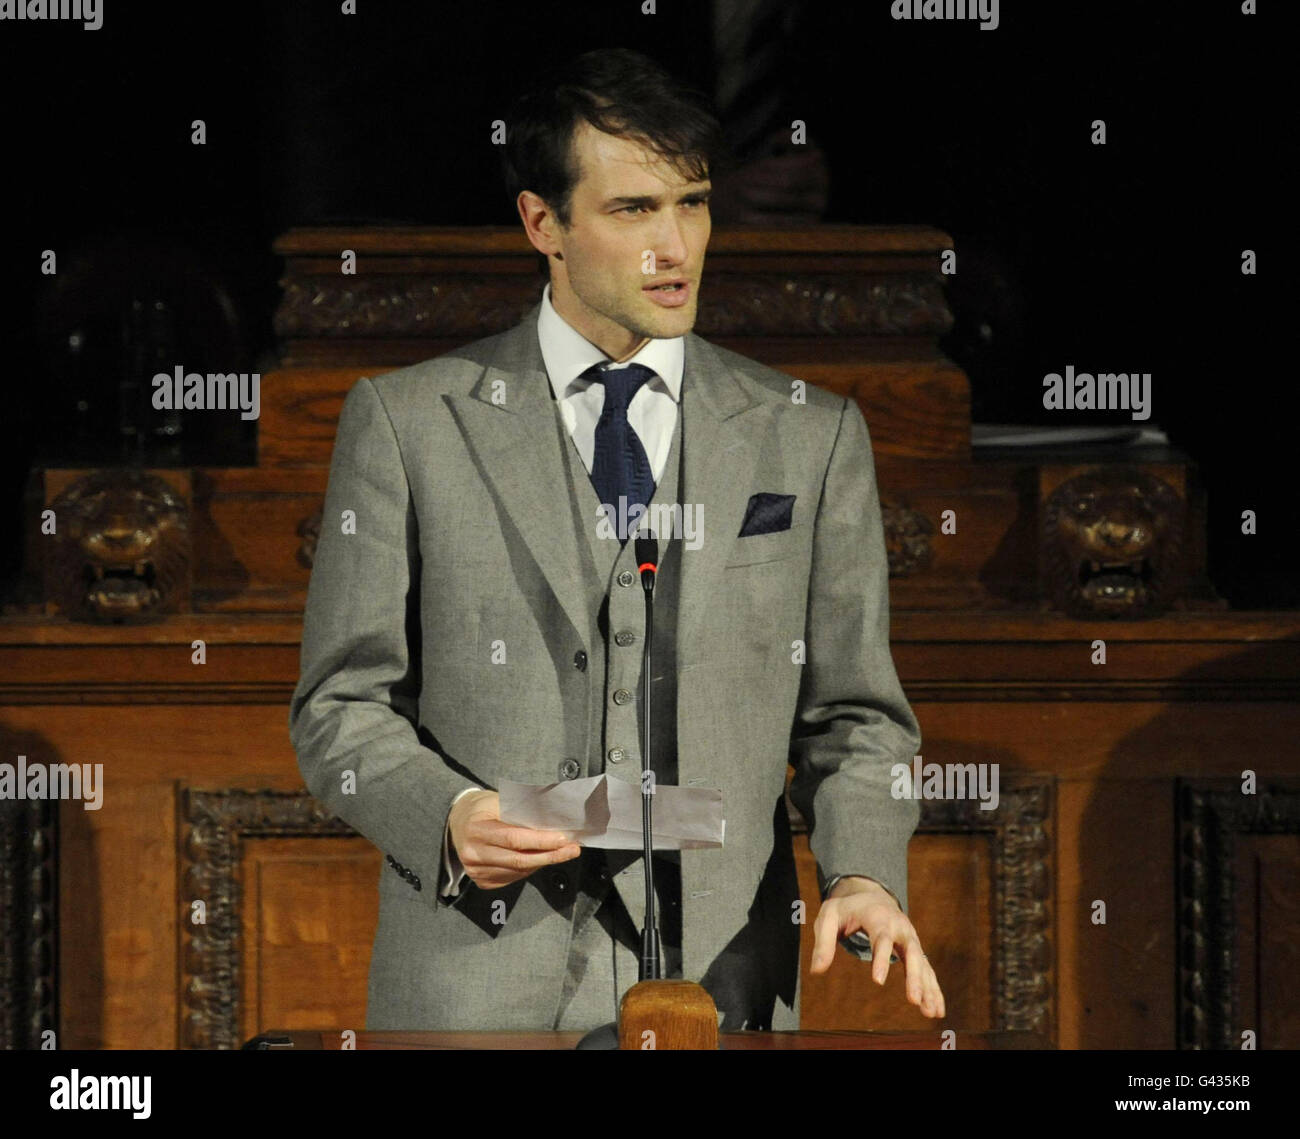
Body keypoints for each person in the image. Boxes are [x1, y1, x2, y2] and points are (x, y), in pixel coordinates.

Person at [290, 47, 945, 1032]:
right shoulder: (409, 421)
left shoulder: (807, 433)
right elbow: (339, 708)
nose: (674, 245)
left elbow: (858, 718)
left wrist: (862, 869)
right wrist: (449, 815)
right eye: (634, 210)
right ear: (541, 222)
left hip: (720, 979)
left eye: (693, 203)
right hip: (475, 982)